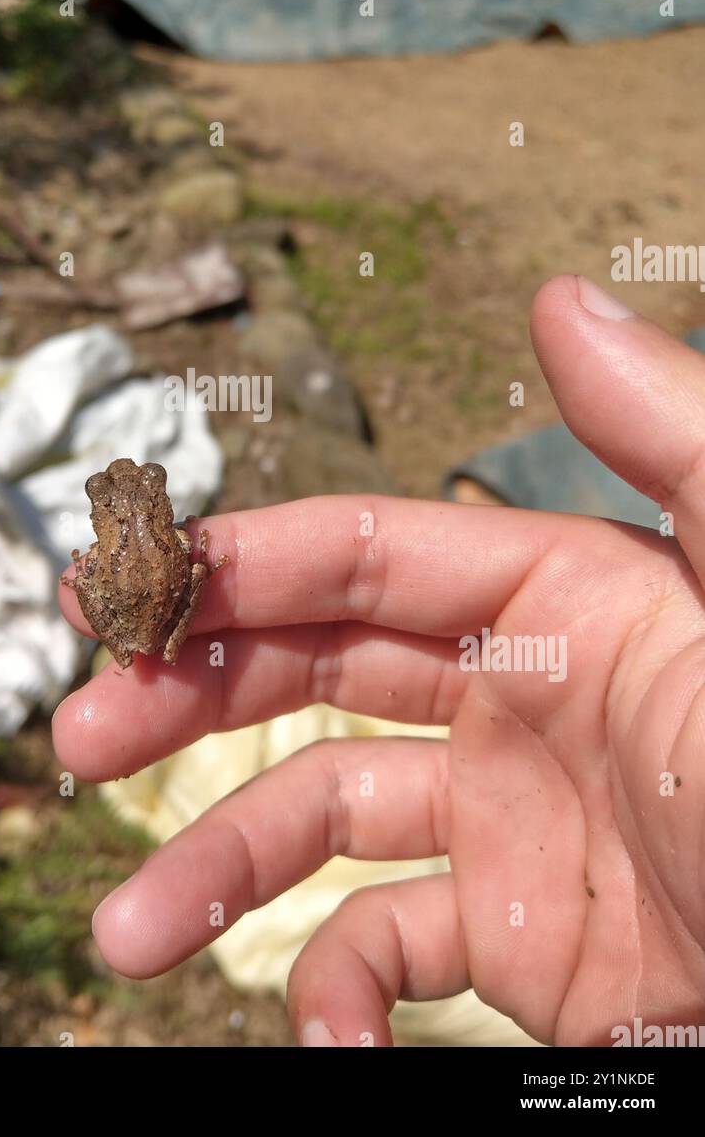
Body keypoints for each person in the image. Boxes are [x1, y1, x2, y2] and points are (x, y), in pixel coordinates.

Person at [54, 274, 705, 1047]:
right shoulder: (173, 534)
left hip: (130, 616)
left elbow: (123, 571)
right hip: (158, 608)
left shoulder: (114, 539)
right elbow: (186, 565)